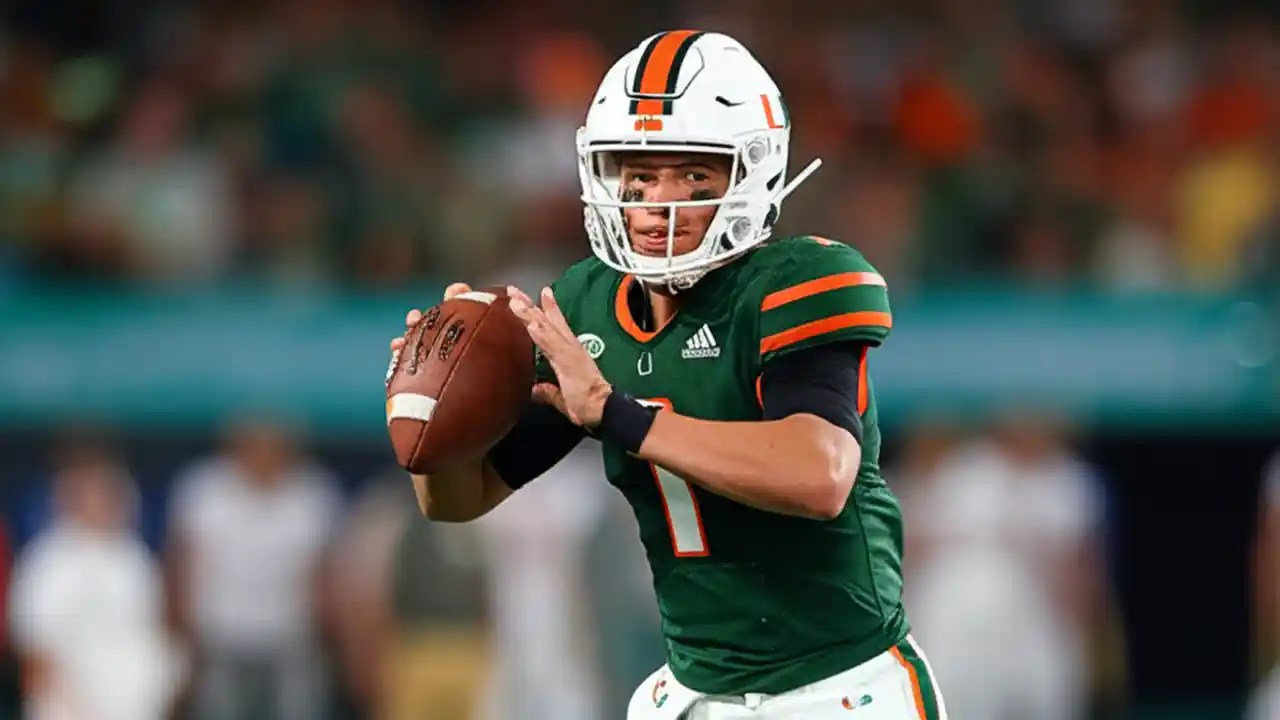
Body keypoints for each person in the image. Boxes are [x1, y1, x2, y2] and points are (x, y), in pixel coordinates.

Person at [388, 31, 946, 719]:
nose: (660, 202)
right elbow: (457, 501)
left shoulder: (796, 282)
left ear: (753, 175)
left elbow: (820, 474)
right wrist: (427, 416)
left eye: (694, 177)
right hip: (689, 691)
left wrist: (617, 413)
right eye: (641, 175)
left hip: (836, 688)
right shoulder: (588, 305)